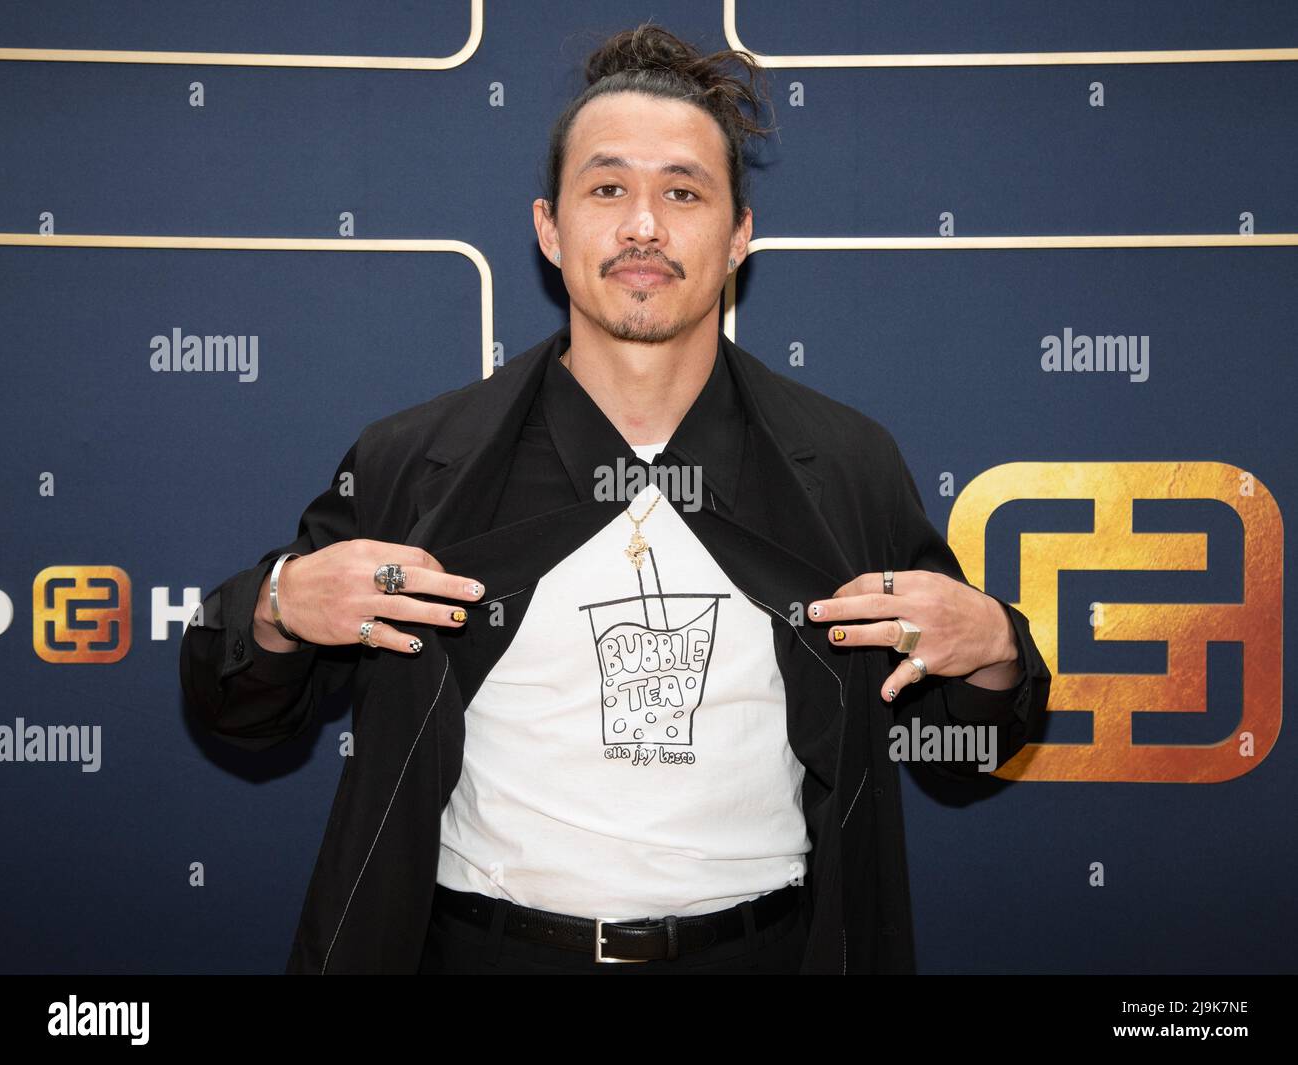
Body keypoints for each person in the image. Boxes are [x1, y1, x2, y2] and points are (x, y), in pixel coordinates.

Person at [180, 23, 1050, 975]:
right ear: (550, 228)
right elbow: (239, 708)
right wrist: (278, 606)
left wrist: (1000, 648)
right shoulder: (417, 460)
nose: (644, 226)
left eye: (683, 192)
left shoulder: (843, 466)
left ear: (740, 236)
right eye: (608, 189)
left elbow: (956, 753)